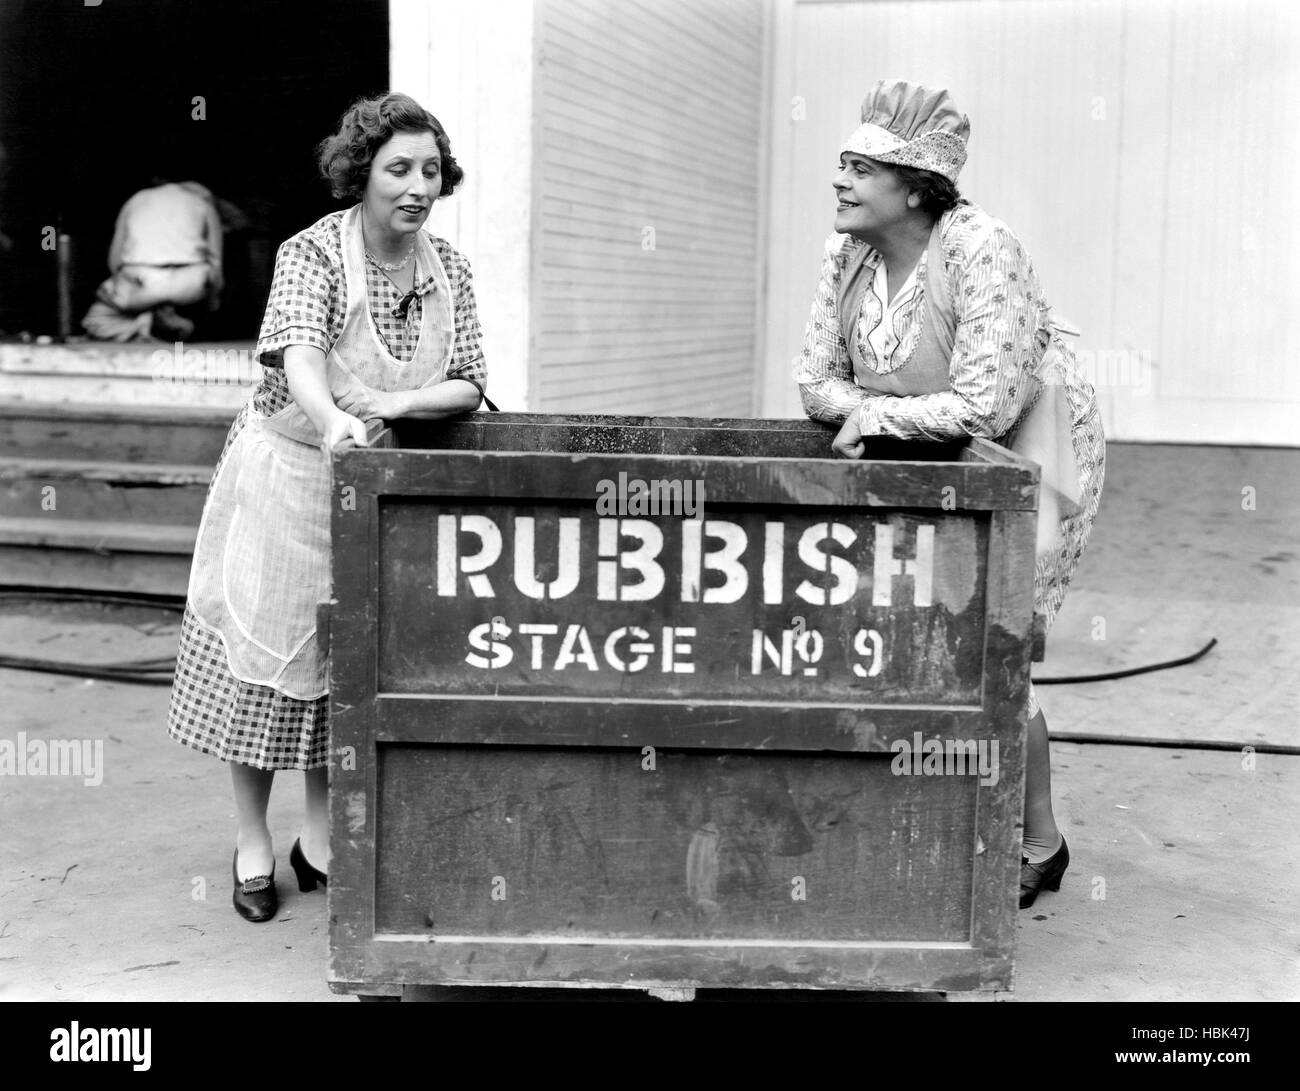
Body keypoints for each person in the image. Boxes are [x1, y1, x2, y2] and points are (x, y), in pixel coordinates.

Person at [167, 92, 490, 922]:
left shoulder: (447, 267)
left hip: (376, 483)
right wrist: (334, 416)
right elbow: (300, 352)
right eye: (398, 169)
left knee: (342, 665)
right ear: (363, 175)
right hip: (291, 473)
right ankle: (251, 841)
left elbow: (470, 380)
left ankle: (318, 839)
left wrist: (393, 407)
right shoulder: (312, 252)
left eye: (430, 170)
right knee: (268, 669)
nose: (417, 186)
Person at [794, 79, 1105, 910]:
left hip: (1030, 450)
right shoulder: (846, 254)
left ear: (915, 187)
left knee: (995, 640)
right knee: (913, 624)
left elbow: (985, 406)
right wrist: (871, 414)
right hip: (923, 447)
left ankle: (1040, 841)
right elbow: (812, 382)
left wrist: (870, 413)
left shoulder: (980, 248)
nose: (841, 181)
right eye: (842, 163)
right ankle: (935, 816)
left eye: (862, 167)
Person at [82, 180, 224, 342]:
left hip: (140, 282)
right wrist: (213, 302)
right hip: (191, 285)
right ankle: (164, 320)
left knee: (95, 321)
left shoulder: (137, 199)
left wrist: (118, 284)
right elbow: (216, 261)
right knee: (201, 278)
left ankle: (146, 325)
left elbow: (115, 259)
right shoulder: (203, 203)